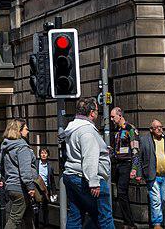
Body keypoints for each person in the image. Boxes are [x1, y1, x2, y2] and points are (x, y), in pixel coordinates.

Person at [60, 96, 113, 229]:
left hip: (72, 176)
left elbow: (78, 151)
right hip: (87, 178)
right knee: (104, 216)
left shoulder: (73, 128)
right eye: (97, 110)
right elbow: (89, 157)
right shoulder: (87, 131)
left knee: (75, 214)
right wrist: (94, 182)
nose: (97, 113)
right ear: (91, 113)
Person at [133, 119, 165, 229]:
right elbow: (139, 157)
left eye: (160, 127)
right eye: (156, 127)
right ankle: (157, 224)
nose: (159, 129)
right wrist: (139, 173)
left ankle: (159, 220)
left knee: (164, 199)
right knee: (156, 199)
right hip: (152, 175)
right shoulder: (145, 140)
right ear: (151, 130)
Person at [0, 119, 37, 229]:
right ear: (19, 131)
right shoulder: (22, 147)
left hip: (11, 186)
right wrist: (30, 187)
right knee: (14, 219)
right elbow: (25, 170)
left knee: (28, 217)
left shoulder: (5, 147)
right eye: (26, 129)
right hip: (21, 188)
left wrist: (6, 179)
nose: (28, 131)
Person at [110, 107, 141, 229]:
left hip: (126, 164)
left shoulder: (130, 129)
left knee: (122, 192)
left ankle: (130, 223)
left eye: (113, 117)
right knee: (121, 194)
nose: (111, 119)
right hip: (118, 164)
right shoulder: (118, 131)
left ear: (120, 115)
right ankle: (127, 222)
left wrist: (134, 168)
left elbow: (135, 150)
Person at [36, 148, 52, 227]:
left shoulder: (49, 166)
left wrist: (53, 192)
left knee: (45, 208)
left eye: (45, 153)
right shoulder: (36, 163)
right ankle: (36, 224)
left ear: (48, 155)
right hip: (37, 188)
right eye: (42, 153)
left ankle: (46, 224)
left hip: (46, 188)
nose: (43, 155)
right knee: (37, 207)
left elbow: (51, 180)